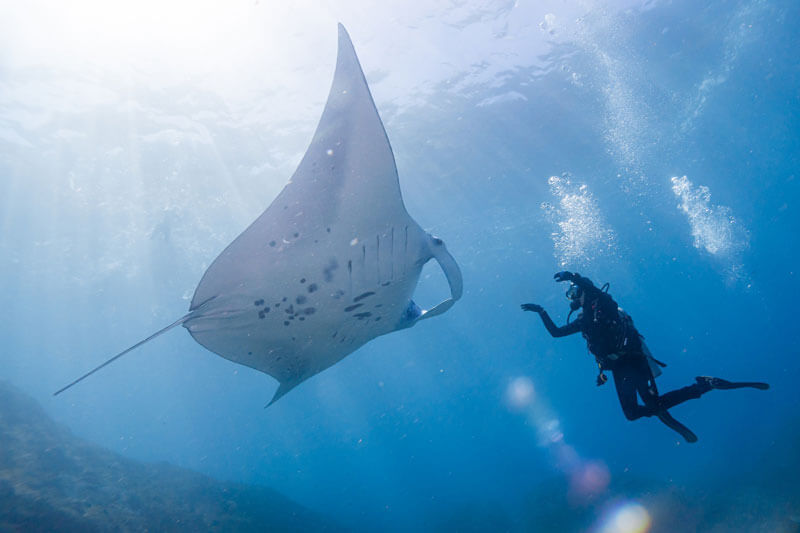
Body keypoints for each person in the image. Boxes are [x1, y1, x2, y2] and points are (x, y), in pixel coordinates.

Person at [521, 271, 769, 443]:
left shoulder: (604, 305)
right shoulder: (583, 321)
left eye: (575, 292)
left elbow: (597, 293)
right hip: (619, 369)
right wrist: (541, 311)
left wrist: (575, 278)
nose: (573, 298)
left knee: (654, 405)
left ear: (585, 291)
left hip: (634, 360)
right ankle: (703, 385)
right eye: (570, 295)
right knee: (632, 413)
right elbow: (556, 333)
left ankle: (702, 387)